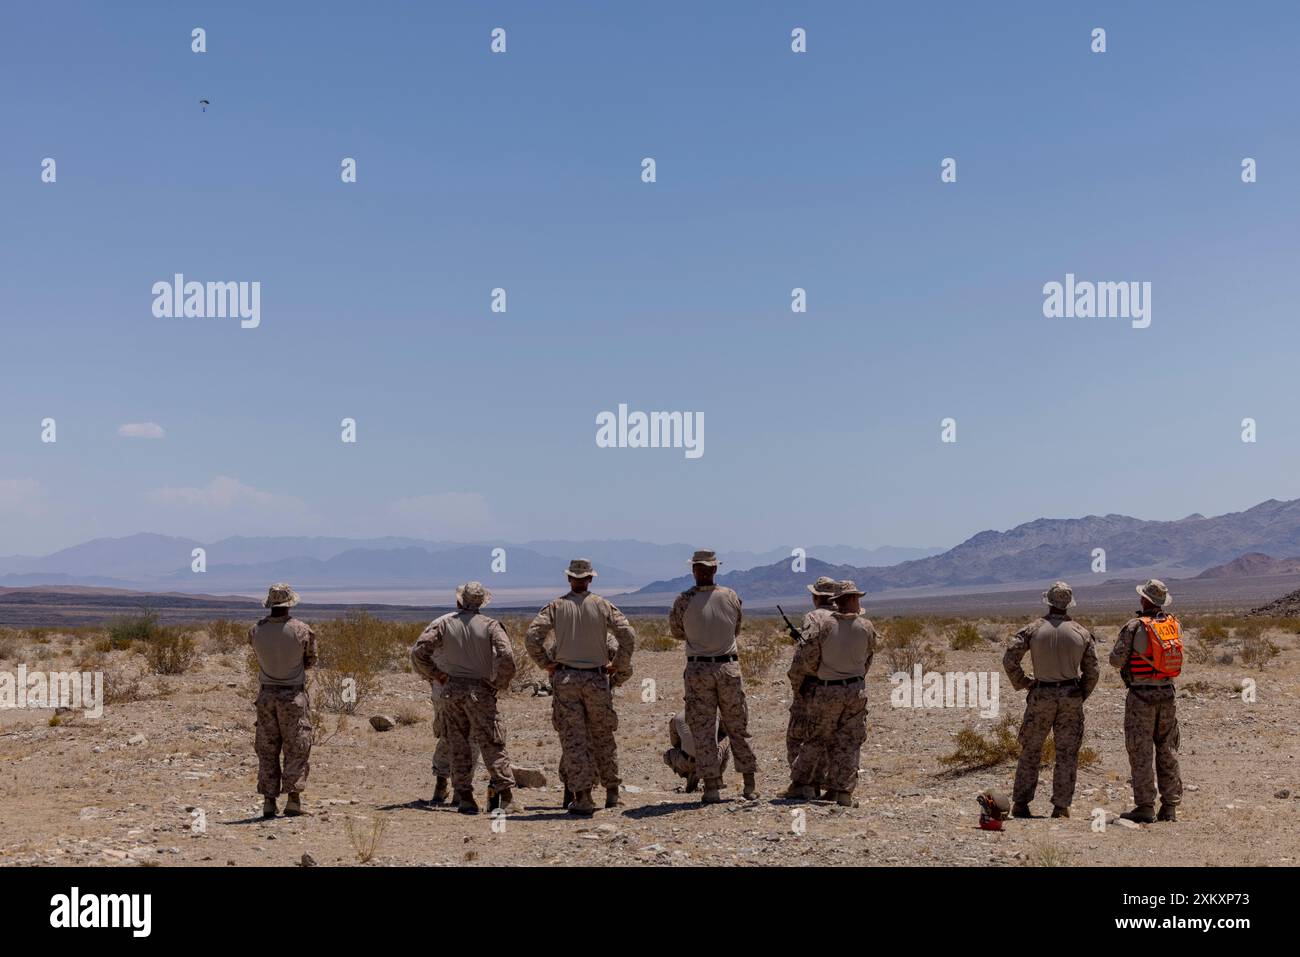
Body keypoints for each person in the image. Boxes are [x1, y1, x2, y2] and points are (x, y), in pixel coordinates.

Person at [525, 559, 637, 815]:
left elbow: (532, 637)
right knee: (603, 736)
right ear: (590, 579)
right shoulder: (602, 605)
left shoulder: (556, 606)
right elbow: (627, 635)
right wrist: (617, 664)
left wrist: (546, 663)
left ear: (569, 579)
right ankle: (612, 794)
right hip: (597, 679)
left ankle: (584, 797)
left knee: (574, 740)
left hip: (566, 680)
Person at [410, 582, 518, 815]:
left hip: (452, 690)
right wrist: (498, 683)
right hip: (480, 691)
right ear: (482, 603)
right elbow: (507, 655)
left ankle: (465, 797)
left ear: (459, 601)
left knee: (457, 743)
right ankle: (506, 797)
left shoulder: (445, 624)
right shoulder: (491, 626)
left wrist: (437, 675)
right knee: (492, 742)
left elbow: (419, 651)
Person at [1002, 581, 1099, 818]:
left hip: (1041, 696)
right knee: (1067, 752)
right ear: (1068, 603)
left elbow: (1009, 658)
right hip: (1070, 696)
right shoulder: (1082, 633)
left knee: (1031, 750)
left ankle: (1022, 804)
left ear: (1048, 601)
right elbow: (1093, 671)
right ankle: (1061, 806)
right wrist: (1079, 695)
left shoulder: (1033, 629)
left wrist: (1024, 682)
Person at [668, 550, 758, 803]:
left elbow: (677, 632)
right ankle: (749, 784)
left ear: (694, 570)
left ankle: (711, 787)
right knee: (737, 725)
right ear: (715, 569)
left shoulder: (683, 601)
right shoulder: (731, 597)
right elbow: (736, 628)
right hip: (727, 667)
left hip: (698, 669)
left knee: (703, 728)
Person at [786, 580, 877, 807]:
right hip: (856, 690)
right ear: (854, 600)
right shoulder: (867, 626)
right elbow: (868, 658)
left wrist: (824, 672)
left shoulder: (824, 626)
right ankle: (842, 792)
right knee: (849, 742)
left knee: (816, 739)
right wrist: (855, 674)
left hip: (828, 690)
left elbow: (810, 659)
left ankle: (801, 783)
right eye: (856, 598)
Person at [1109, 579, 1183, 823]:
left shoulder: (1134, 627)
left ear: (1144, 600)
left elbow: (1116, 660)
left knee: (1141, 751)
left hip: (1141, 696)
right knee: (1168, 749)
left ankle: (1145, 806)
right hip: (1167, 695)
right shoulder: (1173, 625)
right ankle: (1170, 806)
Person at [248, 583, 317, 819]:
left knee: (267, 748)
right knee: (296, 746)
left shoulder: (256, 630)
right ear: (289, 604)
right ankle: (293, 800)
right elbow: (310, 660)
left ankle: (269, 802)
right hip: (292, 696)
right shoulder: (302, 630)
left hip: (267, 695)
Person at [663, 710, 730, 791]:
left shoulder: (677, 717)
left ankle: (690, 774)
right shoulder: (715, 712)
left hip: (687, 762)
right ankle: (717, 780)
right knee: (726, 738)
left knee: (668, 756)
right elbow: (724, 731)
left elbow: (675, 743)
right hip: (710, 761)